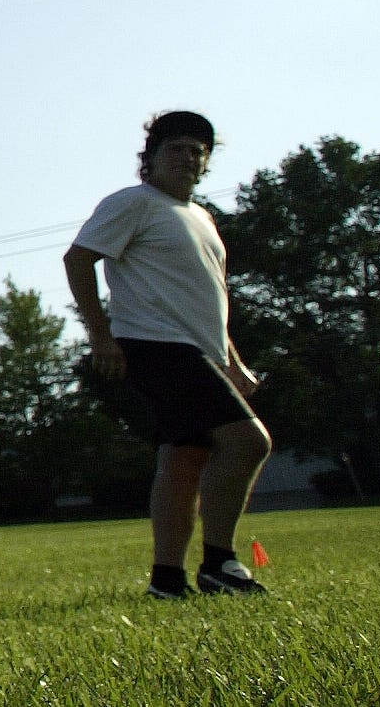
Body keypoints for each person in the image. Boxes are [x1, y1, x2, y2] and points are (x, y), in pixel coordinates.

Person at [63, 110, 273, 600]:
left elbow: (209, 296)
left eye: (197, 152)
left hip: (198, 351)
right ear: (151, 158)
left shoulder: (201, 218)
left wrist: (232, 360)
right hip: (154, 345)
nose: (187, 158)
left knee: (185, 458)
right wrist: (101, 335)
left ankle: (166, 581)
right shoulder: (133, 203)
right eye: (175, 149)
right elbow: (78, 259)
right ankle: (221, 564)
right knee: (248, 442)